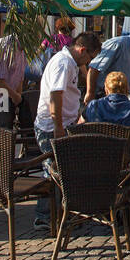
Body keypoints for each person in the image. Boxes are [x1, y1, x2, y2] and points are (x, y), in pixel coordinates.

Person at [32, 31, 95, 230]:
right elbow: (56, 96)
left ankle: (61, 214)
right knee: (52, 170)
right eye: (89, 57)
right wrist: (58, 125)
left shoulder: (69, 62)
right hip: (52, 126)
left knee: (63, 169)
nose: (88, 62)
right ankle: (44, 217)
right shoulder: (63, 63)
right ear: (82, 50)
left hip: (65, 123)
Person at [84, 71, 130, 151]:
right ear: (127, 88)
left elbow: (77, 131)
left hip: (93, 159)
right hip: (125, 161)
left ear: (106, 88)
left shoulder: (93, 106)